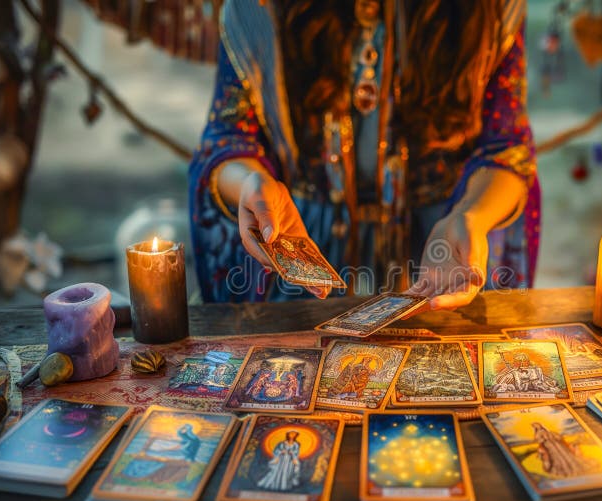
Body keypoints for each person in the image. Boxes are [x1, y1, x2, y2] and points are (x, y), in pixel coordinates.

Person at [189, 0, 539, 308]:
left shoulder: (490, 9)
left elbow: (506, 149)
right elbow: (229, 138)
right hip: (302, 245)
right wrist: (252, 184)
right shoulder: (259, 8)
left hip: (441, 255)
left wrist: (471, 216)